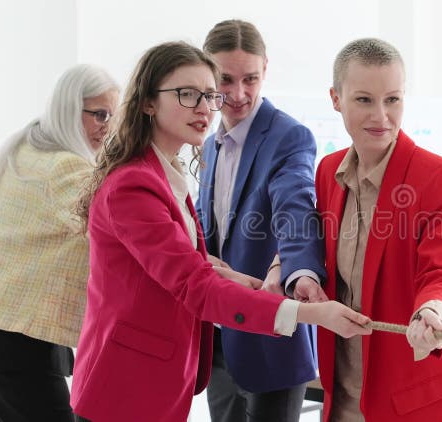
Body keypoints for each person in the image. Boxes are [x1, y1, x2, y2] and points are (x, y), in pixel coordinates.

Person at [69, 41, 371, 422]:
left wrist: (239, 277)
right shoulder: (134, 187)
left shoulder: (165, 172)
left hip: (149, 384)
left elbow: (179, 258)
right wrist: (310, 314)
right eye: (188, 94)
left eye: (209, 96)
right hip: (123, 390)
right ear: (148, 103)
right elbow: (193, 286)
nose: (205, 108)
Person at [0, 64, 119, 422]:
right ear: (69, 109)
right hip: (12, 343)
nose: (108, 127)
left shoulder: (25, 149)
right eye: (100, 114)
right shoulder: (68, 170)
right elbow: (120, 232)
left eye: (114, 116)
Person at [312, 38, 442, 421]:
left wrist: (433, 309)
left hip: (415, 401)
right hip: (345, 397)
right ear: (336, 99)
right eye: (364, 100)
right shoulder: (328, 172)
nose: (381, 116)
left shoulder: (437, 178)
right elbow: (316, 250)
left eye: (393, 100)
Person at [195, 19, 328, 422]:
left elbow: (296, 207)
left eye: (250, 79)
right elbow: (209, 226)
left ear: (265, 69)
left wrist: (297, 268)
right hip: (220, 335)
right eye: (226, 80)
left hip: (272, 334)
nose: (238, 94)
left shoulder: (289, 136)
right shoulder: (208, 144)